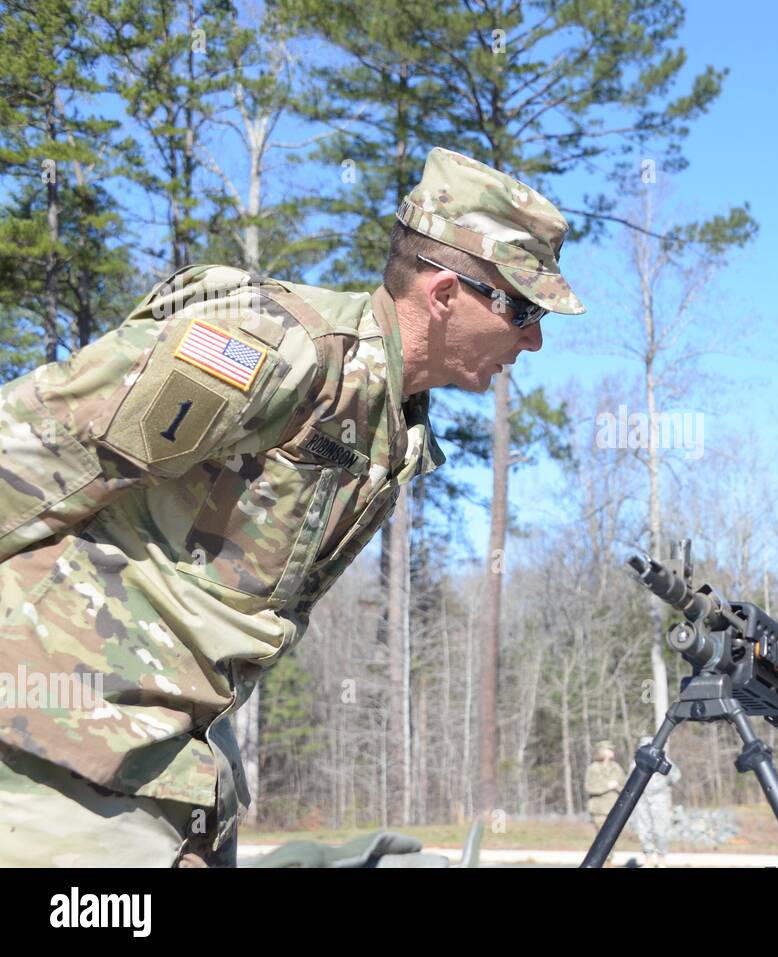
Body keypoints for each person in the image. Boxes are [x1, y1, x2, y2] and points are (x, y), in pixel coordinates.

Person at [0, 146, 585, 867]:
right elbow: (29, 452)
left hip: (175, 752)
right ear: (442, 294)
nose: (534, 338)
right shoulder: (271, 345)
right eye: (521, 308)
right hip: (59, 733)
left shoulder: (389, 416)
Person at [629, 735, 681, 867]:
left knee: (660, 829)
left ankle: (661, 859)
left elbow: (675, 775)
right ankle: (648, 859)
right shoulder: (636, 762)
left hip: (659, 799)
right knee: (643, 829)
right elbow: (630, 781)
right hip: (641, 799)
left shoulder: (663, 760)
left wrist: (665, 785)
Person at [584, 740, 625, 835]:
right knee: (602, 836)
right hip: (599, 809)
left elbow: (625, 786)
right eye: (609, 749)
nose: (612, 751)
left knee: (613, 835)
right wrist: (607, 787)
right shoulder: (593, 768)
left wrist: (617, 787)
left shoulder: (616, 767)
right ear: (603, 751)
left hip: (614, 807)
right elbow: (589, 788)